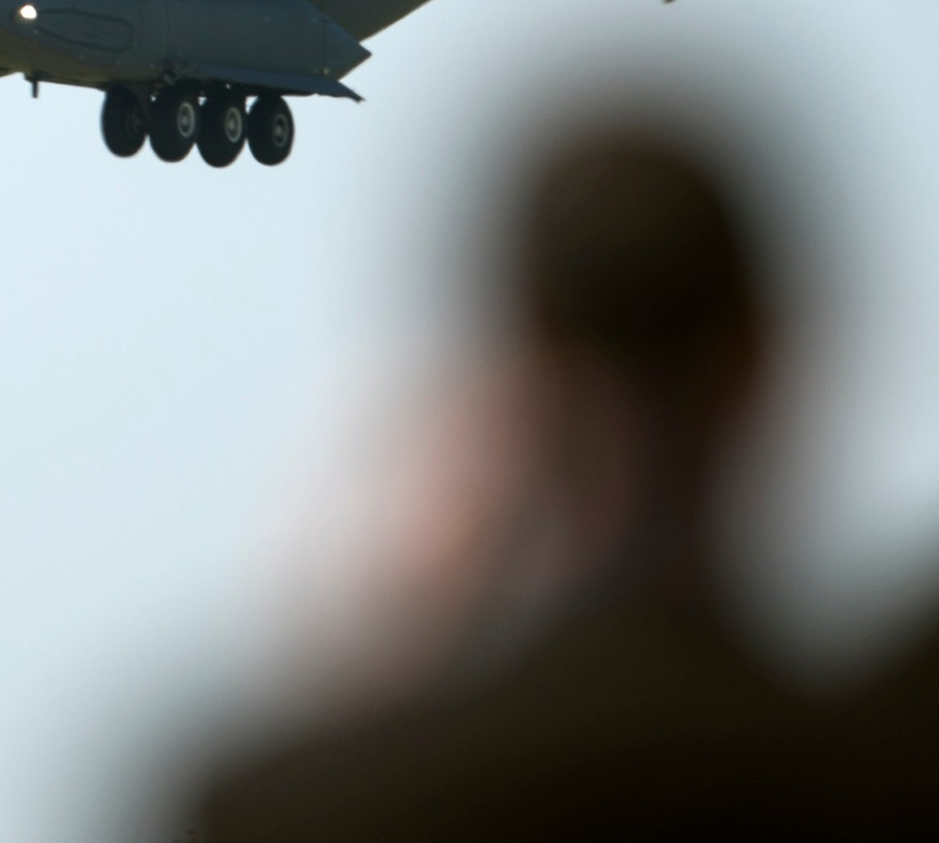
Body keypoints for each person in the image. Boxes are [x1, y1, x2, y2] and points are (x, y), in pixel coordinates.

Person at [169, 127, 837, 841]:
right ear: (762, 355)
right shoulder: (892, 775)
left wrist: (414, 622)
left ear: (522, 362)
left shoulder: (281, 811)